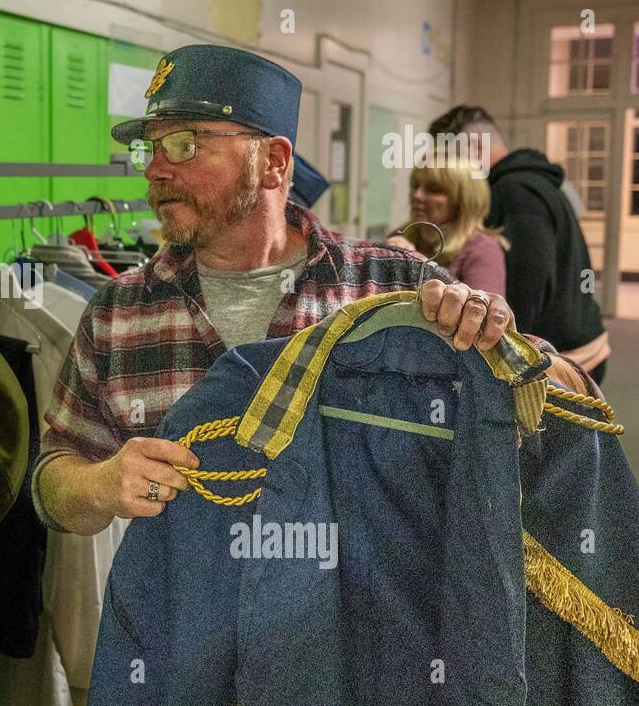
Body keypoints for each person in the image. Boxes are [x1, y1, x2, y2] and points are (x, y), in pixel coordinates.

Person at [32, 45, 593, 536]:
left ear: (273, 162)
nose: (154, 169)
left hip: (364, 649)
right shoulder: (116, 314)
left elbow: (574, 403)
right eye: (149, 149)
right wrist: (102, 485)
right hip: (187, 648)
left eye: (182, 145)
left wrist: (496, 337)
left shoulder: (391, 288)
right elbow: (54, 477)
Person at [428, 105, 609, 383]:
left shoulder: (513, 191)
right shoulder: (532, 180)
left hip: (567, 359)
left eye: (451, 158)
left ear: (475, 148)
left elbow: (527, 286)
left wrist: (505, 365)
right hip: (580, 341)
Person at [386, 159, 507, 296]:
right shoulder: (399, 236)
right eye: (415, 186)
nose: (417, 195)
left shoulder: (482, 250)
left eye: (433, 190)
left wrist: (420, 268)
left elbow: (481, 312)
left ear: (462, 199)